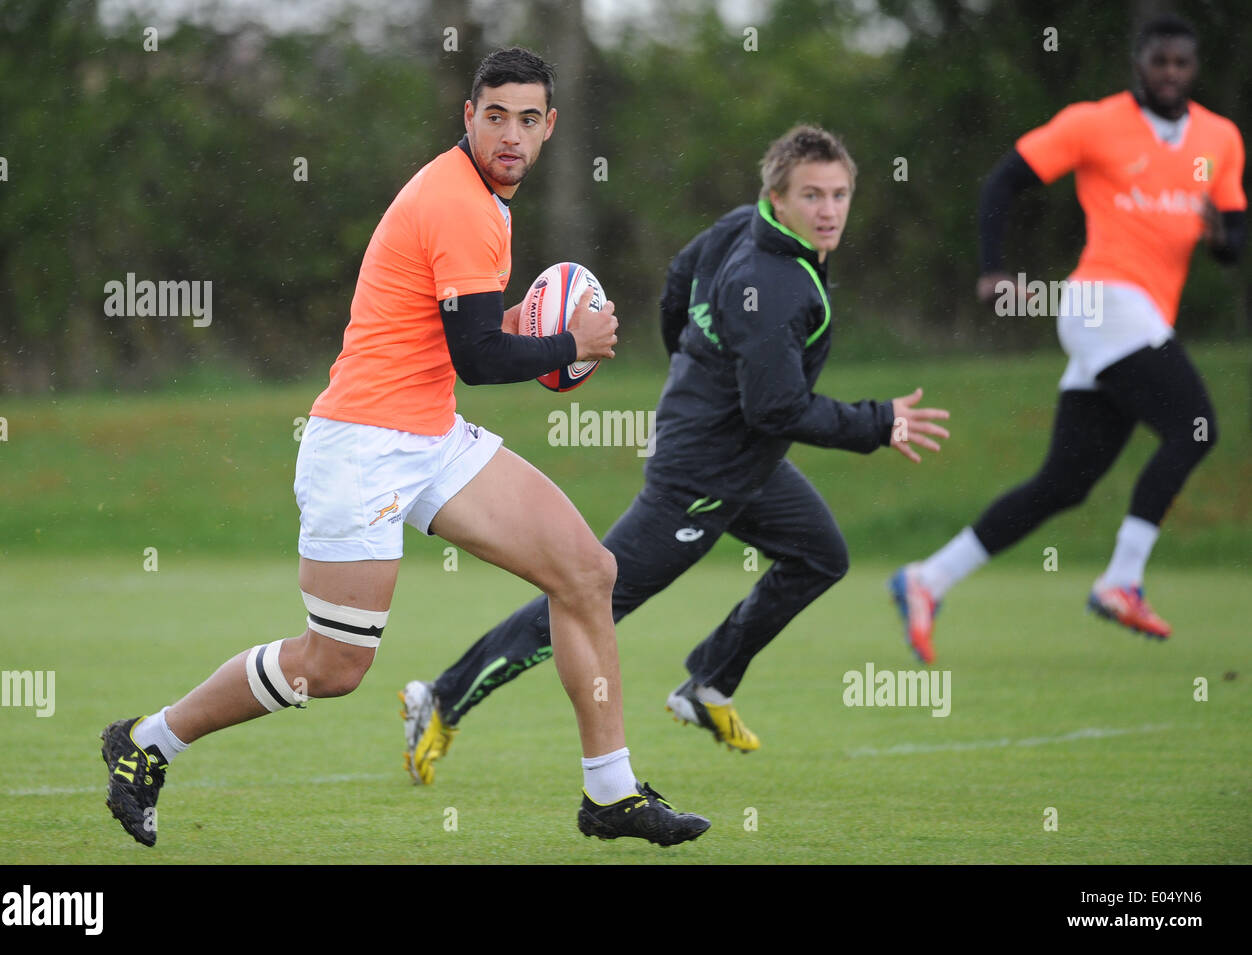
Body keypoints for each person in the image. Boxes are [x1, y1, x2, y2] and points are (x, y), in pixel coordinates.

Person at [100, 47, 710, 848]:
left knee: (588, 572)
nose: (511, 135)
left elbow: (465, 357)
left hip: (429, 435)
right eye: (496, 116)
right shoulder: (458, 202)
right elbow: (481, 357)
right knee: (333, 666)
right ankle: (147, 742)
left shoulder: (490, 201)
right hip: (361, 446)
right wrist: (572, 339)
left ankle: (611, 793)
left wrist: (559, 345)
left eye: (529, 120)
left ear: (551, 127)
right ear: (469, 116)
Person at [398, 124, 951, 785]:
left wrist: (693, 362)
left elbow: (678, 279)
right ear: (778, 195)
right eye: (812, 195)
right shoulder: (775, 287)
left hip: (741, 459)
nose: (829, 210)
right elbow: (776, 407)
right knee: (592, 595)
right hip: (701, 474)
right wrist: (878, 421)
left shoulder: (743, 227)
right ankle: (444, 694)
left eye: (839, 194)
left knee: (820, 554)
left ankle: (708, 683)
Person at [890, 14, 1246, 663]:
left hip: (1140, 319)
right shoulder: (1094, 122)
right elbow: (1004, 180)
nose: (1170, 73)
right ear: (1138, 63)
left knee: (1064, 482)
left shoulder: (1220, 138)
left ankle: (927, 578)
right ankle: (1122, 578)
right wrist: (994, 267)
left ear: (1193, 70)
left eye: (1182, 64)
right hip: (1104, 301)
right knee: (1196, 425)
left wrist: (1222, 236)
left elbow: (1235, 242)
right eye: (1159, 61)